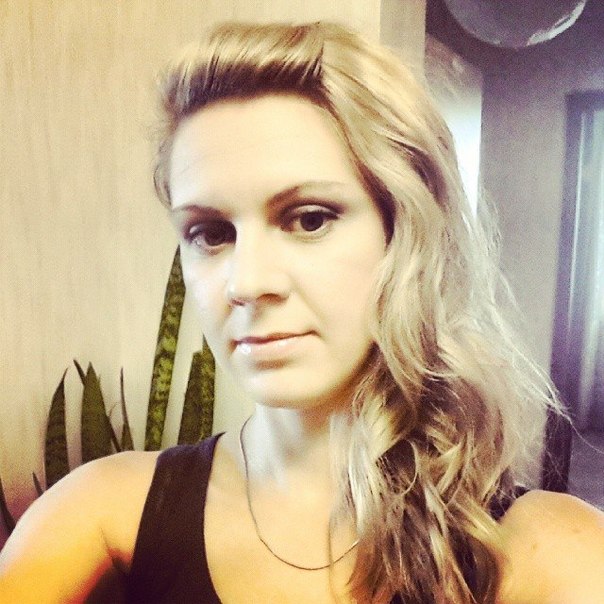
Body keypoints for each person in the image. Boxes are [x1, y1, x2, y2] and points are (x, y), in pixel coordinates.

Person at [1, 20, 603, 604]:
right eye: (211, 233)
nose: (247, 283)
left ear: (406, 233)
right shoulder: (104, 510)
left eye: (309, 219)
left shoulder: (545, 547)